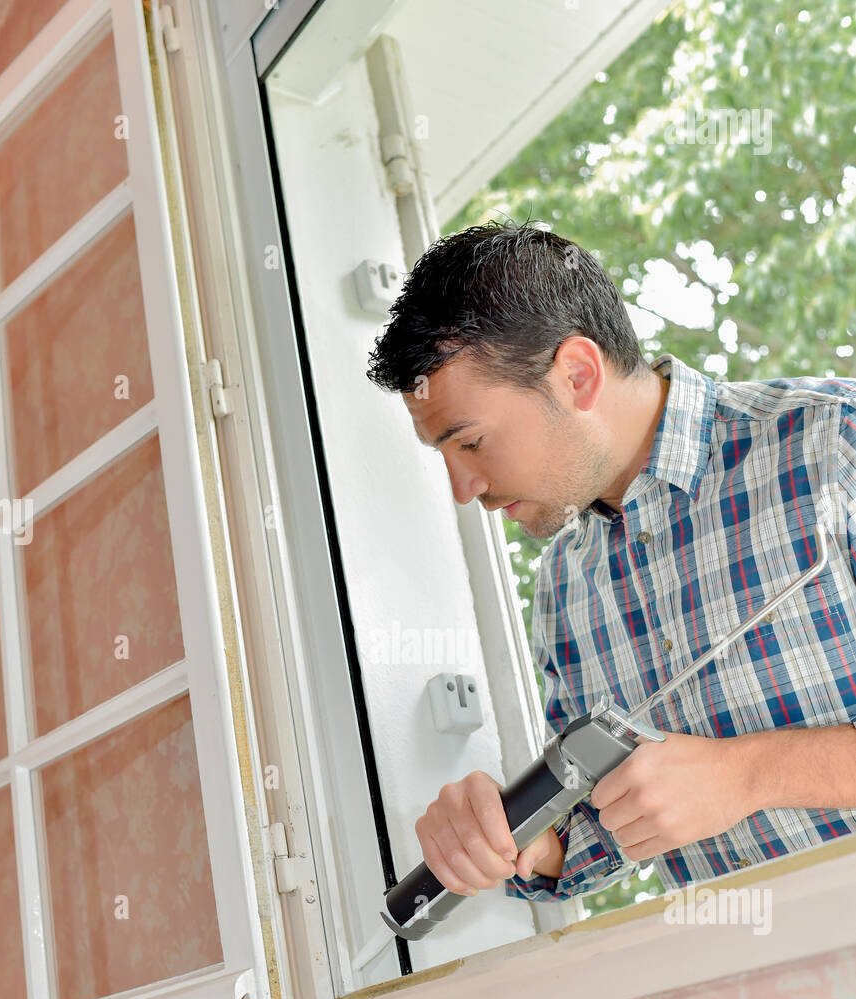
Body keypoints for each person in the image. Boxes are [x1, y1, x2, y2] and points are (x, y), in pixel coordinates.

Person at [366, 221, 856, 907]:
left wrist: (751, 774)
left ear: (576, 374)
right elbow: (603, 833)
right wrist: (523, 846)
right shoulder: (564, 588)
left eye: (470, 443)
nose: (462, 488)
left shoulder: (835, 443)